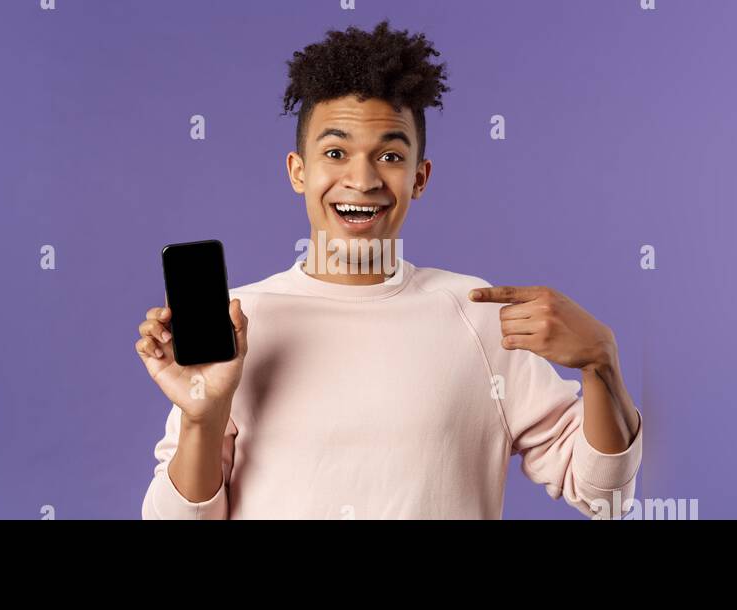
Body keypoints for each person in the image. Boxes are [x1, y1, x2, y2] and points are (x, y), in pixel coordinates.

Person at [137, 20, 642, 519]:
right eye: (335, 152)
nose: (362, 179)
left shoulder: (477, 315)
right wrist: (202, 417)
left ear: (419, 177)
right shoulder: (239, 324)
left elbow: (606, 498)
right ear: (298, 171)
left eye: (390, 155)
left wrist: (602, 365)